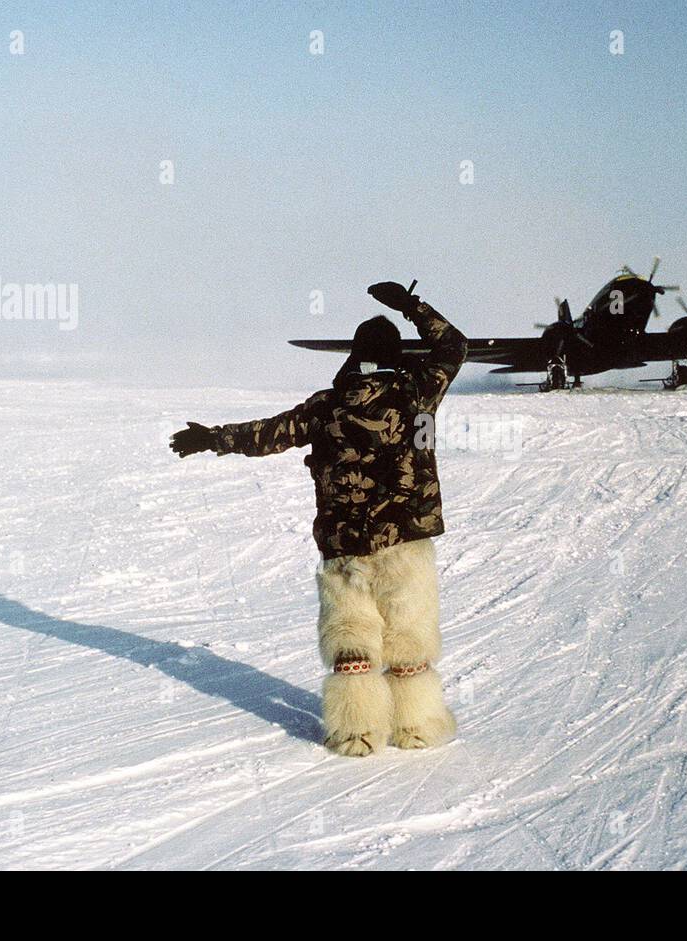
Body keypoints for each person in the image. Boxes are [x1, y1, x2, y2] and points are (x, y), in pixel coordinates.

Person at [169, 281, 467, 756]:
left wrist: (213, 437)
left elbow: (266, 434)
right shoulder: (417, 391)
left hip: (344, 544)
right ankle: (417, 726)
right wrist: (411, 305)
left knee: (352, 640)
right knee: (407, 638)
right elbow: (454, 345)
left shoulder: (325, 405)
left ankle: (355, 732)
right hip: (406, 539)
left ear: (355, 357)